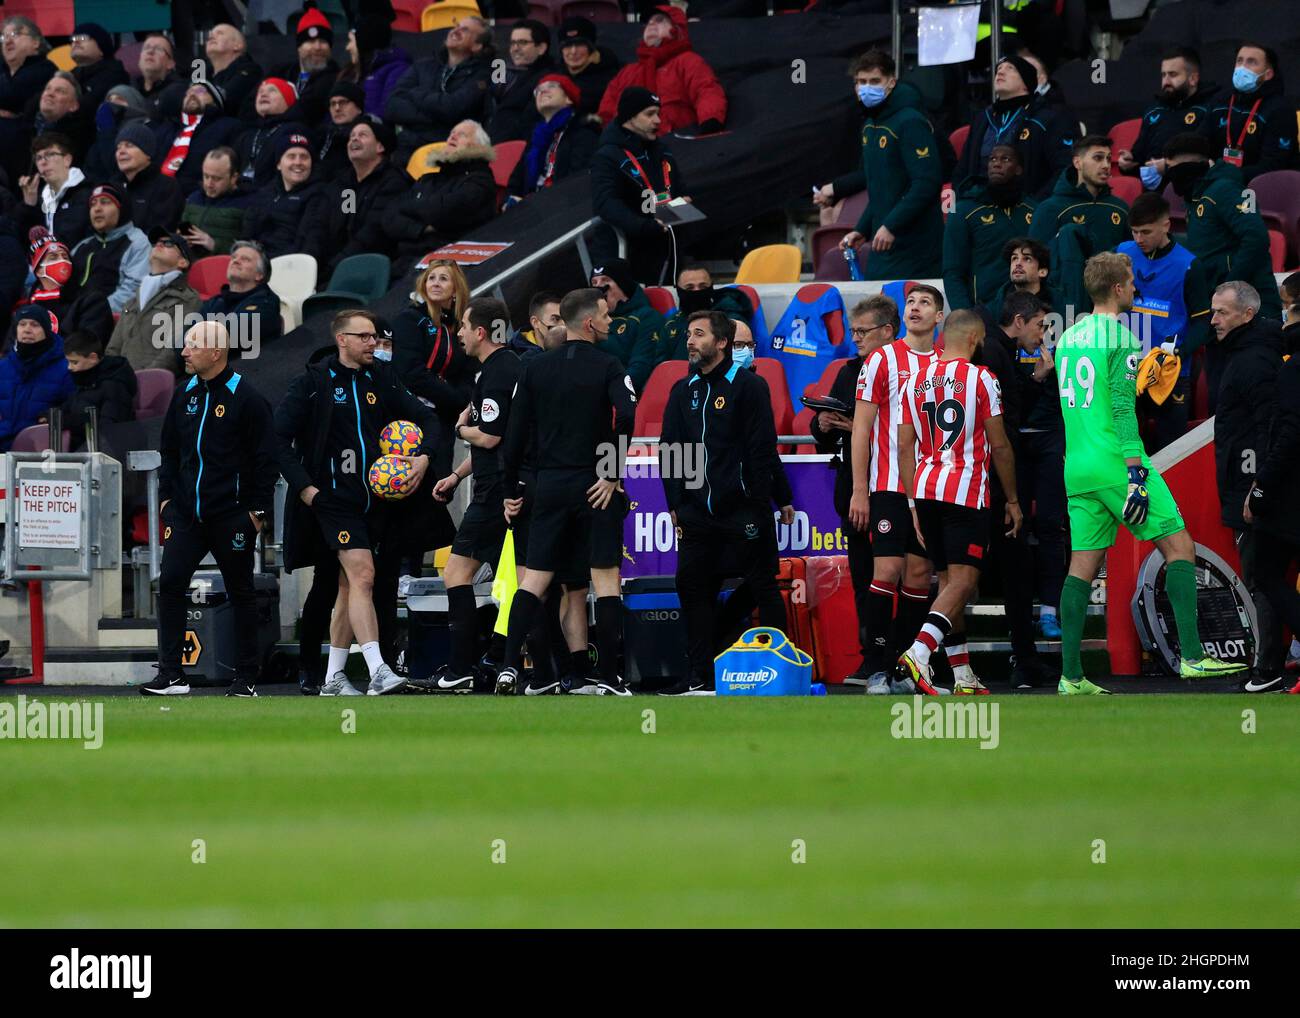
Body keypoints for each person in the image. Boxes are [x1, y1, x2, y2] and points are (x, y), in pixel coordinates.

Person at [1054, 252, 1246, 693]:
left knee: (1082, 565)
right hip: (1114, 461)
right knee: (1179, 544)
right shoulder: (1121, 337)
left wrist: (1138, 379)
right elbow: (1122, 412)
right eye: (1131, 283)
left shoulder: (1069, 337)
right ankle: (1194, 659)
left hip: (1077, 464)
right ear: (1119, 288)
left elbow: (1083, 399)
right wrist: (1136, 473)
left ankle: (1070, 675)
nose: (1135, 290)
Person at [275, 309, 438, 696]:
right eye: (364, 337)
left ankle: (333, 677)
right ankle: (377, 668)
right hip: (331, 501)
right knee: (362, 575)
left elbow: (426, 418)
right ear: (341, 339)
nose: (373, 343)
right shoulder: (312, 382)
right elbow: (277, 440)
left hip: (376, 501)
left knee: (350, 587)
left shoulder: (382, 378)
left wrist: (424, 456)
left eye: (376, 337)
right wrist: (305, 488)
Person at [498, 288, 637, 696]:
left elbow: (515, 433)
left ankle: (509, 667)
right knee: (605, 580)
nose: (611, 322)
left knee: (534, 580)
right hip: (595, 485)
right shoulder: (611, 364)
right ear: (590, 322)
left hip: (548, 485)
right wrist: (611, 472)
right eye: (606, 316)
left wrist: (511, 489)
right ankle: (608, 678)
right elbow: (627, 415)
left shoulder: (535, 368)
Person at [655, 309, 787, 695]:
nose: (690, 341)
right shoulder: (683, 391)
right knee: (692, 588)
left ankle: (776, 669)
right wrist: (676, 503)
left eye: (699, 334)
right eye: (689, 334)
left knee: (763, 585)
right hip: (697, 514)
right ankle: (699, 675)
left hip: (743, 510)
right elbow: (671, 449)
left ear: (722, 342)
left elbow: (762, 449)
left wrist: (760, 501)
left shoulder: (749, 387)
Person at [144, 320, 278, 696]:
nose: (184, 353)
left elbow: (267, 458)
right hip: (186, 514)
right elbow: (168, 450)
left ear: (216, 352)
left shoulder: (246, 397)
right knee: (170, 584)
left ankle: (246, 678)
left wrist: (257, 511)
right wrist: (168, 499)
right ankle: (171, 674)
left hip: (232, 514)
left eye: (192, 346)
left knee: (241, 591)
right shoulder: (184, 392)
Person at [895, 310, 1022, 696]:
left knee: (949, 583)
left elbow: (903, 446)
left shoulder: (914, 381)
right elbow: (998, 444)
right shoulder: (983, 379)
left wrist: (913, 502)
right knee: (965, 582)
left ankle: (963, 676)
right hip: (965, 491)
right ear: (974, 339)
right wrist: (1013, 498)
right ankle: (918, 653)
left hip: (926, 489)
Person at [420, 297, 523, 693]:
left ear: (481, 332)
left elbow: (490, 435)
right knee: (522, 583)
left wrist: (460, 429)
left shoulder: (498, 372)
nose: (458, 333)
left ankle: (462, 666)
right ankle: (505, 662)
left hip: (496, 493)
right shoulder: (501, 369)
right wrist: (458, 475)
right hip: (495, 485)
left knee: (456, 573)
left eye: (463, 326)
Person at [847, 284, 943, 693]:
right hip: (886, 485)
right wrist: (858, 490)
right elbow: (861, 428)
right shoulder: (882, 358)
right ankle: (878, 666)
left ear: (939, 317)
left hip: (929, 486)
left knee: (920, 575)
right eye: (910, 303)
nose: (915, 308)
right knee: (887, 570)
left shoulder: (946, 362)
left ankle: (906, 666)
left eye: (924, 303)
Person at [809, 295, 895, 682]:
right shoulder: (848, 372)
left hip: (895, 487)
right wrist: (824, 425)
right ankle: (871, 656)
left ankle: (905, 656)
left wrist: (862, 430)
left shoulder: (907, 371)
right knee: (863, 578)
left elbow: (913, 434)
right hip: (852, 488)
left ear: (887, 331)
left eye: (863, 331)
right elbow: (826, 438)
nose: (856, 338)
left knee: (900, 576)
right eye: (854, 331)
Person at [1210, 280, 1286, 685]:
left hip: (1253, 488)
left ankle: (1268, 667)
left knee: (1263, 579)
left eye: (1222, 312)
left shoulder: (1252, 360)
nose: (1215, 320)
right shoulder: (1247, 353)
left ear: (1248, 314)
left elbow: (1267, 428)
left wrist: (1257, 489)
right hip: (1252, 484)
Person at [992, 290, 1066, 663]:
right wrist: (1036, 380)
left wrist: (1040, 378)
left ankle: (1050, 611)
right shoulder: (994, 351)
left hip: (1050, 440)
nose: (1043, 332)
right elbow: (1009, 408)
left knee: (1052, 524)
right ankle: (1020, 643)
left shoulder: (1056, 344)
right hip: (1012, 450)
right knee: (1013, 535)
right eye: (1039, 325)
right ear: (1019, 321)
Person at [838, 50, 944, 281]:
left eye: (874, 81)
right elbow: (881, 191)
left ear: (891, 82)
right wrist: (862, 229)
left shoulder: (910, 121)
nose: (867, 88)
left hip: (915, 242)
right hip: (884, 239)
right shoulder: (869, 125)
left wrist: (892, 225)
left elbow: (926, 182)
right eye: (861, 82)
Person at [1117, 192, 1212, 448]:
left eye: (1146, 232)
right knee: (1125, 450)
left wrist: (1177, 354)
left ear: (1166, 225)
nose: (1138, 239)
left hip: (1169, 373)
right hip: (1128, 368)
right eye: (1134, 232)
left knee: (1170, 452)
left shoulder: (1189, 266)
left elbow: (1203, 324)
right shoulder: (1123, 255)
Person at [1163, 133, 1282, 335]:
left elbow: (1257, 238)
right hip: (1220, 305)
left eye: (1174, 170)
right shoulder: (1195, 196)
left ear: (1192, 166)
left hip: (1251, 304)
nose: (1172, 178)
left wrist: (1230, 286)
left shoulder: (1229, 189)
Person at [1243, 334, 1300, 693]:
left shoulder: (1294, 369)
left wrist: (1261, 485)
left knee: (1263, 571)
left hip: (1290, 493)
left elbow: (1291, 432)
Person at [590, 87, 685, 286]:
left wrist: (682, 203)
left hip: (667, 245)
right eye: (650, 114)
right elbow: (606, 203)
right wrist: (645, 226)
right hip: (628, 250)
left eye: (658, 113)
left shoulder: (662, 149)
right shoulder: (607, 155)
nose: (658, 121)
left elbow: (678, 189)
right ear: (629, 116)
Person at [381, 119, 496, 275]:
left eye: (461, 135)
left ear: (479, 146)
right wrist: (422, 228)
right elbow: (389, 216)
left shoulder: (480, 180)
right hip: (405, 261)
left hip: (445, 267)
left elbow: (442, 212)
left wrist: (414, 209)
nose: (452, 138)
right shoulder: (428, 179)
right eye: (451, 134)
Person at [952, 55, 1074, 199]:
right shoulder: (982, 118)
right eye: (999, 69)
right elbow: (962, 169)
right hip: (978, 204)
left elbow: (1064, 170)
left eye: (1011, 68)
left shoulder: (1047, 119)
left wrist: (1035, 205)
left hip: (1023, 209)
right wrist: (962, 201)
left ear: (1026, 83)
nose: (1001, 72)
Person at [597, 6, 725, 137]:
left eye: (659, 20)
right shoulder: (627, 72)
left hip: (678, 143)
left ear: (676, 29)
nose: (651, 24)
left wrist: (710, 122)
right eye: (648, 23)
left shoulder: (688, 61)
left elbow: (706, 90)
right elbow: (607, 112)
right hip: (629, 147)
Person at [384, 15, 494, 162]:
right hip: (406, 151)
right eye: (456, 26)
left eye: (465, 30)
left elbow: (452, 108)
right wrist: (437, 116)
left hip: (450, 154)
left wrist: (416, 94)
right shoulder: (422, 66)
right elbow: (392, 106)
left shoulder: (483, 75)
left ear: (477, 46)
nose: (456, 31)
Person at [943, 144, 1037, 310]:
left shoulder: (1035, 210)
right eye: (992, 159)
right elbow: (953, 271)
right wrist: (964, 314)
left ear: (1018, 169)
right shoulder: (964, 210)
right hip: (984, 311)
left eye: (1005, 159)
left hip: (1029, 311)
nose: (996, 163)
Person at [1116, 47, 1215, 192]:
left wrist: (1168, 167)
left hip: (1193, 190)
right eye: (1163, 75)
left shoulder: (1208, 109)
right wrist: (1128, 162)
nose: (1166, 81)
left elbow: (1206, 159)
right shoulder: (1154, 110)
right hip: (1152, 194)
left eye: (1173, 75)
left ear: (1193, 78)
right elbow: (1139, 157)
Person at [321, 115, 411, 274]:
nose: (354, 139)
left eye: (362, 135)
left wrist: (334, 266)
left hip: (372, 268)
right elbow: (343, 224)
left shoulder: (393, 182)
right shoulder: (348, 184)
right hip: (341, 264)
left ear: (380, 147)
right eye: (352, 136)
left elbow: (373, 233)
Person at [105, 227, 199, 374]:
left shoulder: (188, 299)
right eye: (155, 243)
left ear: (183, 262)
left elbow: (173, 350)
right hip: (121, 383)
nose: (159, 245)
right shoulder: (133, 300)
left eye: (169, 243)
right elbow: (113, 348)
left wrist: (146, 379)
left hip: (152, 385)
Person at [1199, 43, 1296, 182]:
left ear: (1268, 74)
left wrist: (1225, 174)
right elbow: (1199, 141)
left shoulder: (1280, 111)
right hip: (1216, 184)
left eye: (1251, 62)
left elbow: (1273, 167)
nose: (1242, 67)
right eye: (1239, 61)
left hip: (1259, 190)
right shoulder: (1220, 101)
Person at [1029, 134, 1129, 255]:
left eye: (1108, 159)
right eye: (1098, 158)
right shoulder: (1050, 209)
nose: (1106, 165)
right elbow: (1036, 260)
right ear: (1077, 162)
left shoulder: (1121, 208)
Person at [505, 73, 598, 201]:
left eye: (552, 86)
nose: (543, 91)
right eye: (538, 90)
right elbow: (516, 178)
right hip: (530, 207)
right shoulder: (537, 135)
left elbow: (578, 181)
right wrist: (510, 199)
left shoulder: (582, 132)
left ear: (569, 98)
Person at [242, 132, 328, 263]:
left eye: (304, 157)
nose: (298, 162)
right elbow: (248, 234)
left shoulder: (319, 194)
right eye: (291, 156)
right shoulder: (265, 192)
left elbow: (308, 243)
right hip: (257, 263)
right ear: (279, 164)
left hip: (289, 266)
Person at [18, 227, 112, 345]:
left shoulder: (91, 300)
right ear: (39, 270)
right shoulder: (25, 309)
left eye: (65, 256)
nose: (63, 261)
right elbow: (11, 349)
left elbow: (84, 348)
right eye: (53, 257)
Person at [69, 183, 150, 316]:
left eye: (105, 202)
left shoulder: (138, 243)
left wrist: (92, 311)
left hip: (110, 320)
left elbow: (133, 291)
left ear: (121, 208)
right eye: (93, 204)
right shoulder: (82, 246)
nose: (97, 209)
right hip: (75, 317)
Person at [0, 304, 73, 451]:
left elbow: (73, 409)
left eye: (35, 325)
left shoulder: (66, 368)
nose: (27, 329)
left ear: (47, 330)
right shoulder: (3, 367)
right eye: (22, 324)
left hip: (41, 450)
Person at [590, 257, 663, 393]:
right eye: (594, 282)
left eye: (605, 280)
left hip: (619, 397)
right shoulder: (589, 319)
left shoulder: (646, 317)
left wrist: (608, 394)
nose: (598, 287)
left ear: (622, 283)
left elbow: (640, 367)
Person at [155, 81, 241, 196]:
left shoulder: (230, 127)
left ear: (215, 100)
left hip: (197, 197)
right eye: (188, 93)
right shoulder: (168, 128)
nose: (192, 94)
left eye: (200, 91)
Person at [198, 239, 283, 350]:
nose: (236, 261)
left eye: (245, 259)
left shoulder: (266, 304)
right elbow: (185, 338)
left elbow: (231, 337)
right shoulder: (214, 302)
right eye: (234, 257)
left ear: (259, 275)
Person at [657, 264, 752, 363]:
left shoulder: (730, 320)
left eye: (703, 286)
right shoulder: (672, 323)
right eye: (690, 288)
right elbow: (660, 365)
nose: (697, 291)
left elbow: (740, 361)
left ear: (711, 287)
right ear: (679, 291)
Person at [0, 16, 55, 185]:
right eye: (3, 36)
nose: (7, 40)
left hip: (24, 148)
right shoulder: (3, 73)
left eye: (15, 34)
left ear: (36, 42)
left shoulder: (44, 68)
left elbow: (11, 95)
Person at [59, 329, 137, 445]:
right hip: (82, 449)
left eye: (74, 362)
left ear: (93, 357)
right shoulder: (85, 381)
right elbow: (66, 410)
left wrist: (72, 421)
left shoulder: (115, 386)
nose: (69, 367)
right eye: (68, 362)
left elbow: (107, 427)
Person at [18, 133, 93, 249]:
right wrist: (29, 205)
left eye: (50, 155)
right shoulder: (38, 197)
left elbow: (71, 238)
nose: (43, 162)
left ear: (67, 159)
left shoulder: (87, 193)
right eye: (38, 158)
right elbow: (24, 242)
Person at [111, 120, 185, 238]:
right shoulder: (112, 187)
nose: (121, 151)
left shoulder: (166, 187)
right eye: (118, 147)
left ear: (148, 153)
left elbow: (158, 232)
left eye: (129, 145)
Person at [487, 19, 554, 143]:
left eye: (522, 42)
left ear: (541, 48)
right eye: (512, 43)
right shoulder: (504, 71)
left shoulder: (548, 80)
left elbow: (527, 123)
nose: (515, 48)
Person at [235, 77, 308, 189]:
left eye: (272, 90)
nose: (263, 94)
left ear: (288, 100)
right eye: (260, 91)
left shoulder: (295, 131)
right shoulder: (248, 133)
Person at [275, 5, 340, 129]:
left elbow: (304, 112)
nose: (317, 47)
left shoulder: (335, 78)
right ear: (299, 47)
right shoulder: (281, 73)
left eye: (323, 41)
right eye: (310, 41)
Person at [179, 146, 251, 256]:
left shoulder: (248, 204)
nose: (209, 184)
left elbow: (250, 249)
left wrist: (214, 245)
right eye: (206, 176)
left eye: (216, 179)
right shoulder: (194, 199)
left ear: (234, 178)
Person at [339, 10, 411, 118]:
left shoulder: (397, 71)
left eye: (351, 41)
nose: (347, 47)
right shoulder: (350, 72)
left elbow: (388, 113)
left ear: (364, 43)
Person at [984, 236, 1062, 323]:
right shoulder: (991, 312)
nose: (1018, 263)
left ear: (1042, 272)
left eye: (1027, 259)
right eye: (1014, 258)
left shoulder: (1064, 308)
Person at [557, 16, 621, 120]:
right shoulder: (553, 75)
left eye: (579, 45)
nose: (573, 52)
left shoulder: (611, 78)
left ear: (591, 48)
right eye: (567, 45)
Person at [30, 72, 93, 164]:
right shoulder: (25, 129)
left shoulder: (77, 141)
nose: (50, 94)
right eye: (48, 89)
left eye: (60, 91)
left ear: (73, 106)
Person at [203, 24, 261, 122]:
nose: (211, 37)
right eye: (210, 35)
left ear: (237, 46)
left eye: (220, 33)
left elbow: (225, 99)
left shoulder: (251, 71)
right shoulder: (203, 73)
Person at [69, 22, 128, 112]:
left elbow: (89, 107)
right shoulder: (69, 76)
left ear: (101, 48)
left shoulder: (114, 75)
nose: (76, 42)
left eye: (83, 38)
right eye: (73, 39)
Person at [314, 81, 365, 182]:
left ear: (358, 108)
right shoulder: (322, 134)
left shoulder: (365, 137)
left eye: (343, 102)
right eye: (333, 104)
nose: (337, 108)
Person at [133, 33, 184, 119]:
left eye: (158, 49)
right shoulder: (130, 88)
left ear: (170, 63)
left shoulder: (177, 92)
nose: (150, 52)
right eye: (146, 48)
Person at [508, 290, 563, 359]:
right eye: (555, 319)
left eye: (565, 319)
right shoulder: (518, 361)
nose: (563, 325)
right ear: (535, 322)